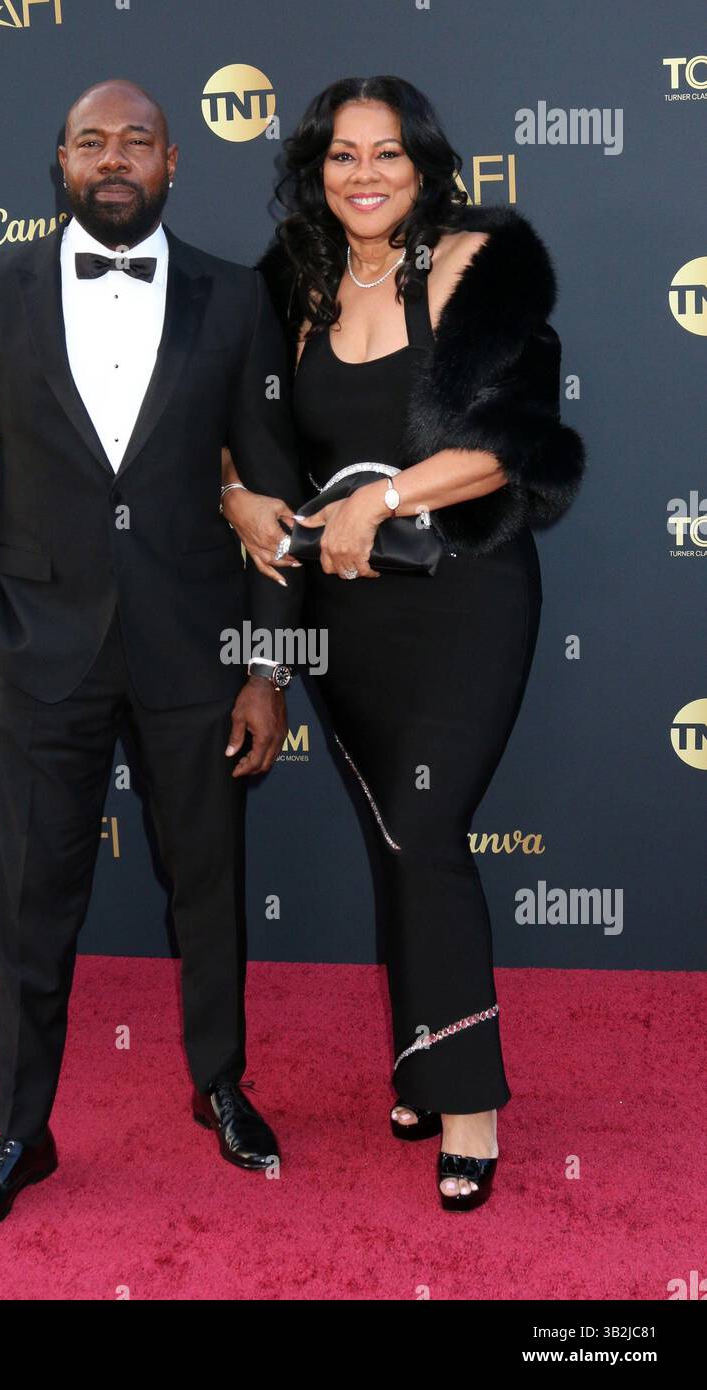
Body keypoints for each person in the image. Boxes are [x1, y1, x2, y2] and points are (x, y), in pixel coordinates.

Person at [0, 78, 304, 1241]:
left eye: (137, 140)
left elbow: (271, 501)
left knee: (210, 886)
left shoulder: (235, 299)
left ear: (174, 163)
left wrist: (267, 666)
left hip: (195, 651)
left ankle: (220, 1083)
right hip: (40, 652)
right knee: (31, 900)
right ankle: (20, 1131)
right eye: (92, 141)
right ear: (60, 165)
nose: (114, 158)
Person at [221, 75, 585, 1210]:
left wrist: (380, 502)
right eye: (341, 154)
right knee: (395, 838)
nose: (363, 174)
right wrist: (235, 493)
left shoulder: (477, 264)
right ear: (313, 167)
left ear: (423, 164)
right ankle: (424, 1061)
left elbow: (512, 442)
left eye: (386, 154)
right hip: (342, 617)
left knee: (425, 826)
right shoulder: (291, 283)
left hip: (464, 593)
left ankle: (466, 1098)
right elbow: (247, 435)